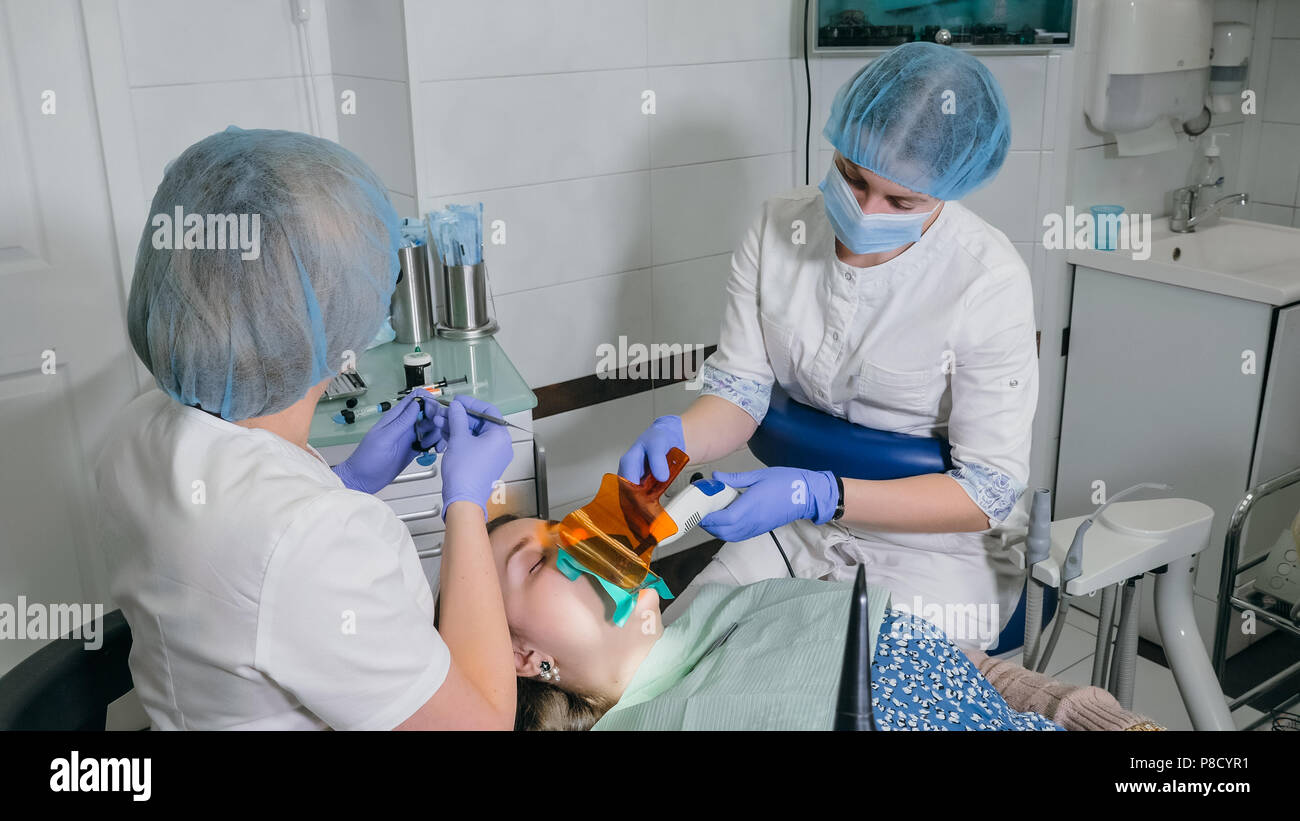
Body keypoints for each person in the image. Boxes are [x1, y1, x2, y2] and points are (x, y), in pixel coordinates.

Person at [618, 42, 1036, 650]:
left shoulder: (987, 281)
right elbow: (740, 391)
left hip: (935, 556)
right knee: (671, 657)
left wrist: (822, 492)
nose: (865, 212)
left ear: (947, 190)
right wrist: (681, 438)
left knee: (842, 699)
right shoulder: (777, 228)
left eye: (902, 202)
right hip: (793, 526)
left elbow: (985, 492)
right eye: (852, 177)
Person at [95, 127, 515, 730]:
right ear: (330, 308)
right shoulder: (314, 540)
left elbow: (239, 570)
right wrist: (467, 505)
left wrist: (346, 479)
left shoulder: (136, 429)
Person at [485, 515, 1064, 731]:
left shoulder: (744, 607)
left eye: (570, 530)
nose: (586, 545)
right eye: (539, 562)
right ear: (522, 656)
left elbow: (974, 679)